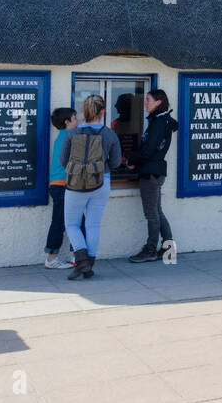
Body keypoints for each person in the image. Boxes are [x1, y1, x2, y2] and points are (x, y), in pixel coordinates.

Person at [60, 94, 122, 281]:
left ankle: (81, 260)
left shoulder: (72, 133)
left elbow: (63, 161)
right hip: (101, 182)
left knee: (71, 224)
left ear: (83, 112)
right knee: (93, 224)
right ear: (102, 112)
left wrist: (79, 171)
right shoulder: (109, 134)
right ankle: (90, 263)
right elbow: (117, 162)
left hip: (75, 184)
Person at [127, 89, 179, 263]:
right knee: (157, 211)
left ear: (158, 102)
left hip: (150, 172)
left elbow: (149, 150)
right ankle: (168, 251)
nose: (145, 103)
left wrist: (131, 160)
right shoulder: (161, 121)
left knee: (151, 213)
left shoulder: (158, 123)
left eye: (148, 100)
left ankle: (150, 249)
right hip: (155, 171)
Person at [43, 108, 78, 269]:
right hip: (63, 185)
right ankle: (52, 259)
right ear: (67, 122)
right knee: (63, 222)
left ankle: (75, 256)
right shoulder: (69, 137)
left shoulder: (62, 137)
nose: (77, 121)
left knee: (66, 221)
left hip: (59, 185)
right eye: (74, 118)